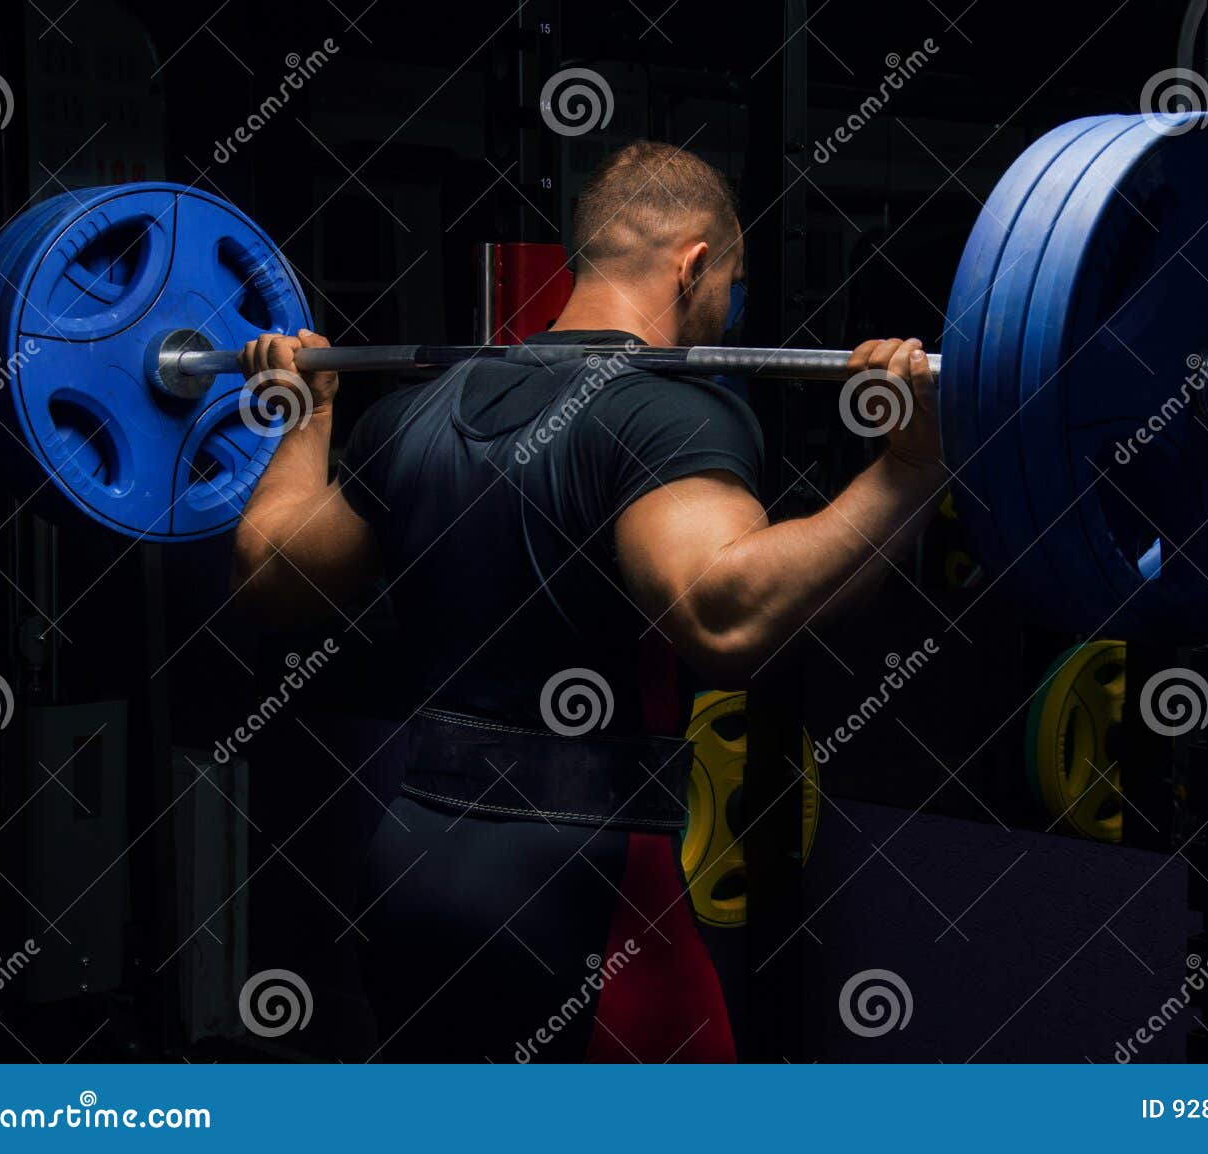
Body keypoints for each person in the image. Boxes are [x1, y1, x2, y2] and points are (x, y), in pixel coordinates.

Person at [233, 141, 944, 1061]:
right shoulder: (671, 412)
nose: (730, 307)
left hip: (413, 871)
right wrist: (912, 468)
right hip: (589, 895)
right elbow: (723, 615)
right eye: (731, 279)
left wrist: (309, 415)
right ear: (693, 265)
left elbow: (270, 575)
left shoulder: (418, 412)